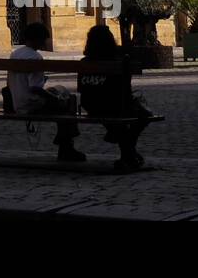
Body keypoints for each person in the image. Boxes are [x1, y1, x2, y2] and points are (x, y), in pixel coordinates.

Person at [78, 24, 155, 173]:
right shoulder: (119, 60)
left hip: (90, 105)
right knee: (145, 114)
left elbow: (82, 89)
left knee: (114, 116)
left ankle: (127, 151)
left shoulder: (84, 62)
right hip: (114, 105)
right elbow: (125, 89)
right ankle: (128, 152)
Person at [8, 21, 84, 163]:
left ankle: (65, 144)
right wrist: (53, 97)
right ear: (39, 40)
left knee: (60, 92)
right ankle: (66, 147)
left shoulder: (15, 53)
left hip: (17, 101)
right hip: (31, 104)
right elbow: (35, 88)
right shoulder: (36, 58)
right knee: (67, 102)